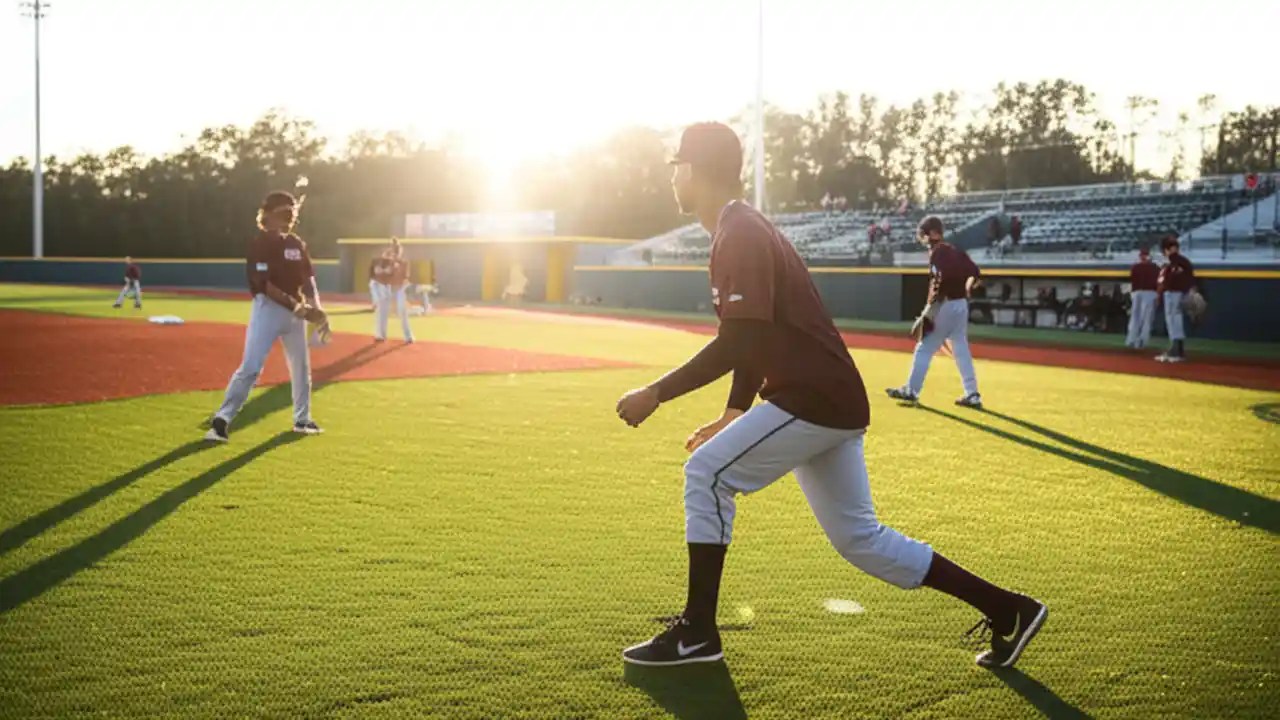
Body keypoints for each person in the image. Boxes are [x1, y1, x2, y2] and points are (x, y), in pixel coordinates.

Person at [615, 122, 1045, 670]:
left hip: (812, 398)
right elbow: (755, 337)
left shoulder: (740, 231)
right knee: (860, 539)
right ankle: (1008, 609)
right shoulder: (737, 228)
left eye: (677, 164)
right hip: (825, 398)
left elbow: (741, 339)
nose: (673, 174)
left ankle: (699, 630)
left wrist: (657, 391)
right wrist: (731, 414)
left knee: (706, 474)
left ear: (695, 170)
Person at [204, 191, 325, 443]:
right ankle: (221, 421)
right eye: (284, 213)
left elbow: (307, 278)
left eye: (292, 214)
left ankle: (302, 419)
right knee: (251, 367)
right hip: (268, 308)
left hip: (295, 312)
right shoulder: (261, 244)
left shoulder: (296, 243)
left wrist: (316, 307)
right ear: (267, 215)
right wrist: (296, 305)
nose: (290, 218)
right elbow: (265, 284)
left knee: (301, 367)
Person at [886, 216, 984, 408]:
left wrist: (930, 309)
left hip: (945, 304)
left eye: (924, 232)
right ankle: (972, 394)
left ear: (931, 233)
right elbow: (976, 273)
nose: (922, 237)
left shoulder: (938, 253)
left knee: (925, 347)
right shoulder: (955, 251)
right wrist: (966, 291)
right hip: (961, 304)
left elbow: (940, 278)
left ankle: (911, 390)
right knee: (961, 349)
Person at [1157, 236, 1195, 362]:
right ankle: (1177, 348)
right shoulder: (1182, 261)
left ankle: (1176, 349)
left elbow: (1171, 279)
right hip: (1178, 293)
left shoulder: (1174, 261)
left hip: (1174, 293)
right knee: (1175, 320)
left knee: (1173, 320)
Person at [377, 241, 415, 343]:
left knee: (402, 311)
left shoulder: (404, 263)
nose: (395, 253)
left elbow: (406, 278)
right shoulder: (385, 261)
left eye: (397, 251)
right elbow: (378, 272)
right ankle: (381, 335)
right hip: (387, 287)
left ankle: (408, 336)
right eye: (394, 250)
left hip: (399, 288)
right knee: (382, 311)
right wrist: (385, 268)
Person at [1126, 248, 1159, 348]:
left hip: (1142, 292)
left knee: (1139, 317)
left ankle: (1135, 340)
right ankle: (1137, 340)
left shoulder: (1137, 267)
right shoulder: (1154, 267)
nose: (1143, 257)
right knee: (1144, 318)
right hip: (1145, 292)